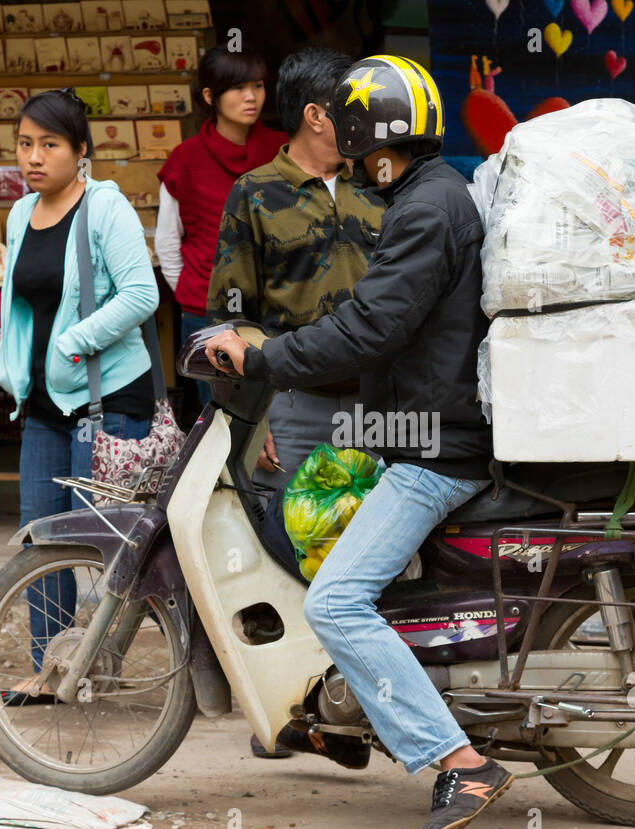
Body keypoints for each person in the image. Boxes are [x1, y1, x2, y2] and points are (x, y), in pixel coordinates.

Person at [204, 55, 512, 829]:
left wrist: (266, 359)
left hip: (434, 447)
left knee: (335, 601)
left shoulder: (424, 208)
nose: (336, 143)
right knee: (305, 530)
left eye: (344, 129)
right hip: (407, 429)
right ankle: (330, 711)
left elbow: (373, 326)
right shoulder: (429, 196)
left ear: (366, 135)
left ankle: (461, 761)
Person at [204, 46, 385, 762]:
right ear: (316, 115)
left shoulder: (380, 189)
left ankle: (354, 705)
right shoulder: (255, 194)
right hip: (296, 406)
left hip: (378, 407)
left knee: (372, 559)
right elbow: (230, 315)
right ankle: (299, 710)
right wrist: (256, 413)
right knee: (294, 552)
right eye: (353, 105)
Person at [0, 89, 160, 702]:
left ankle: (106, 663)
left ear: (80, 151)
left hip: (108, 401)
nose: (34, 157)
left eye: (49, 145)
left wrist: (73, 342)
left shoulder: (104, 208)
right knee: (44, 540)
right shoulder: (18, 214)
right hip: (43, 404)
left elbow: (142, 296)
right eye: (25, 144)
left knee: (111, 546)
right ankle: (50, 671)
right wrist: (10, 365)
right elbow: (18, 305)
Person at [155, 46, 287, 410]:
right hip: (205, 310)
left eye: (258, 85)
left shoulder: (283, 151)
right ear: (210, 97)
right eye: (238, 88)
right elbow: (167, 242)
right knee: (218, 421)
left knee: (274, 418)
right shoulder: (185, 158)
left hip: (274, 307)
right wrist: (192, 292)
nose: (252, 97)